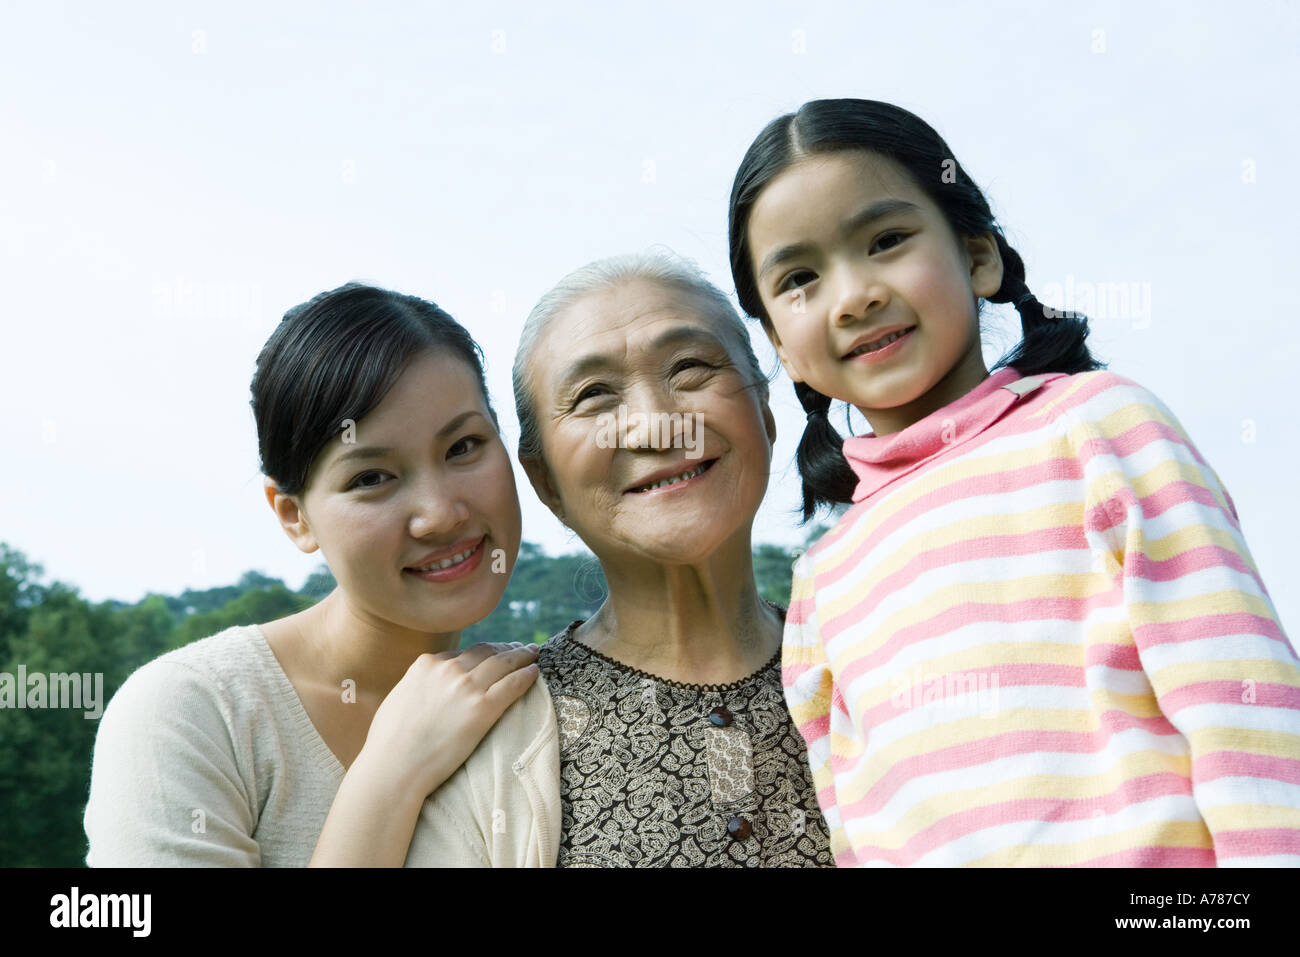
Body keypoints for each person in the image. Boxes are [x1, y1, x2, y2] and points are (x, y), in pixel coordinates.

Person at [727, 97, 1300, 867]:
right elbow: (855, 829)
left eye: (887, 240)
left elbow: (1244, 701)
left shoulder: (1100, 429)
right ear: (780, 347)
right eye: (800, 277)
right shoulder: (826, 578)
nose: (854, 294)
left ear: (977, 256)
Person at [84, 283, 557, 866]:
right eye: (371, 478)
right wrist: (390, 774)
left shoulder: (536, 701)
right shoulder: (194, 714)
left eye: (463, 446)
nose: (441, 514)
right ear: (294, 516)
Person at [513, 250, 833, 866]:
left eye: (690, 367)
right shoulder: (497, 731)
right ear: (545, 481)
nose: (657, 424)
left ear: (765, 412)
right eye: (594, 395)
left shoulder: (872, 661)